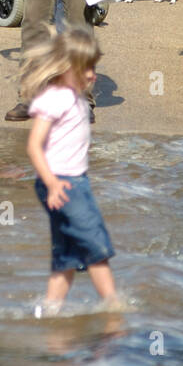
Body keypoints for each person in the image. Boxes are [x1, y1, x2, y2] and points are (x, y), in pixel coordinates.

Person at [23, 25, 118, 315]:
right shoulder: (56, 97)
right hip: (63, 184)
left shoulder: (75, 96)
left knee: (67, 254)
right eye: (85, 67)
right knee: (95, 246)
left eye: (93, 66)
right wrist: (51, 183)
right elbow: (34, 146)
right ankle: (114, 307)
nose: (92, 74)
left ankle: (50, 310)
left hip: (75, 181)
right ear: (66, 67)